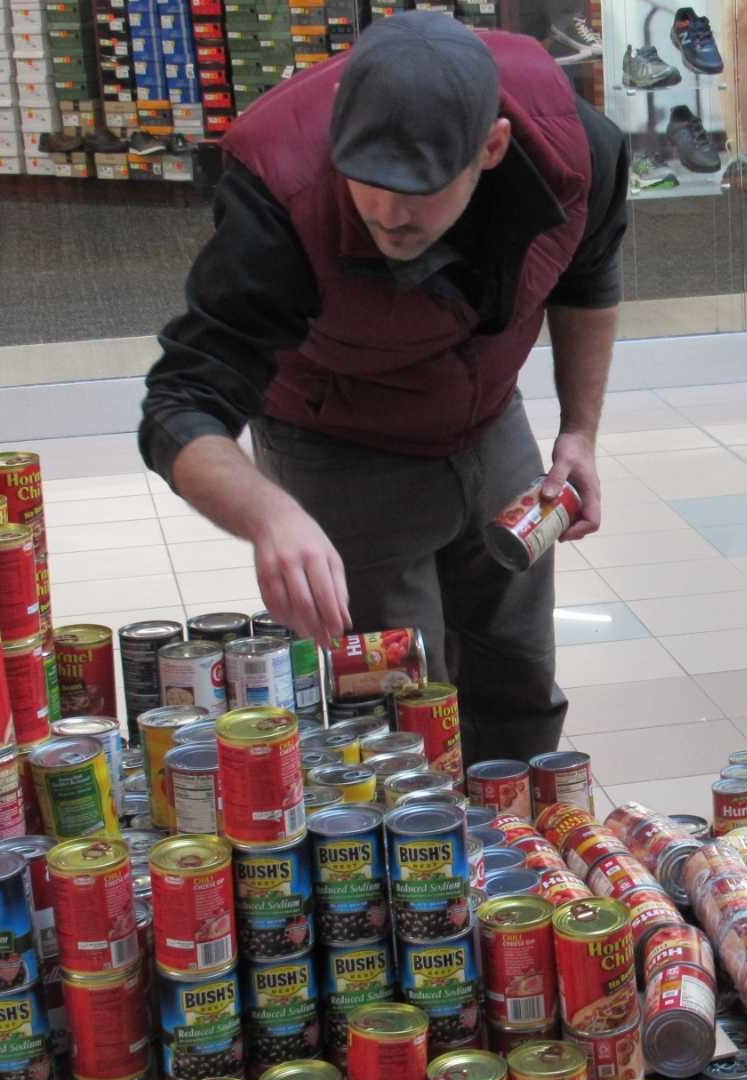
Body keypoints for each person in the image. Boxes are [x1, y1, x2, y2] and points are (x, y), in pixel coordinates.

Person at [138, 12, 631, 762]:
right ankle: (418, 862)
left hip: (490, 417)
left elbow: (589, 278)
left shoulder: (578, 150)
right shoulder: (280, 193)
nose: (390, 214)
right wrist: (271, 515)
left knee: (519, 671)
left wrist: (579, 433)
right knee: (397, 703)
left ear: (491, 147)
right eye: (368, 179)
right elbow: (179, 406)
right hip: (338, 440)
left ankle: (523, 850)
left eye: (423, 187)